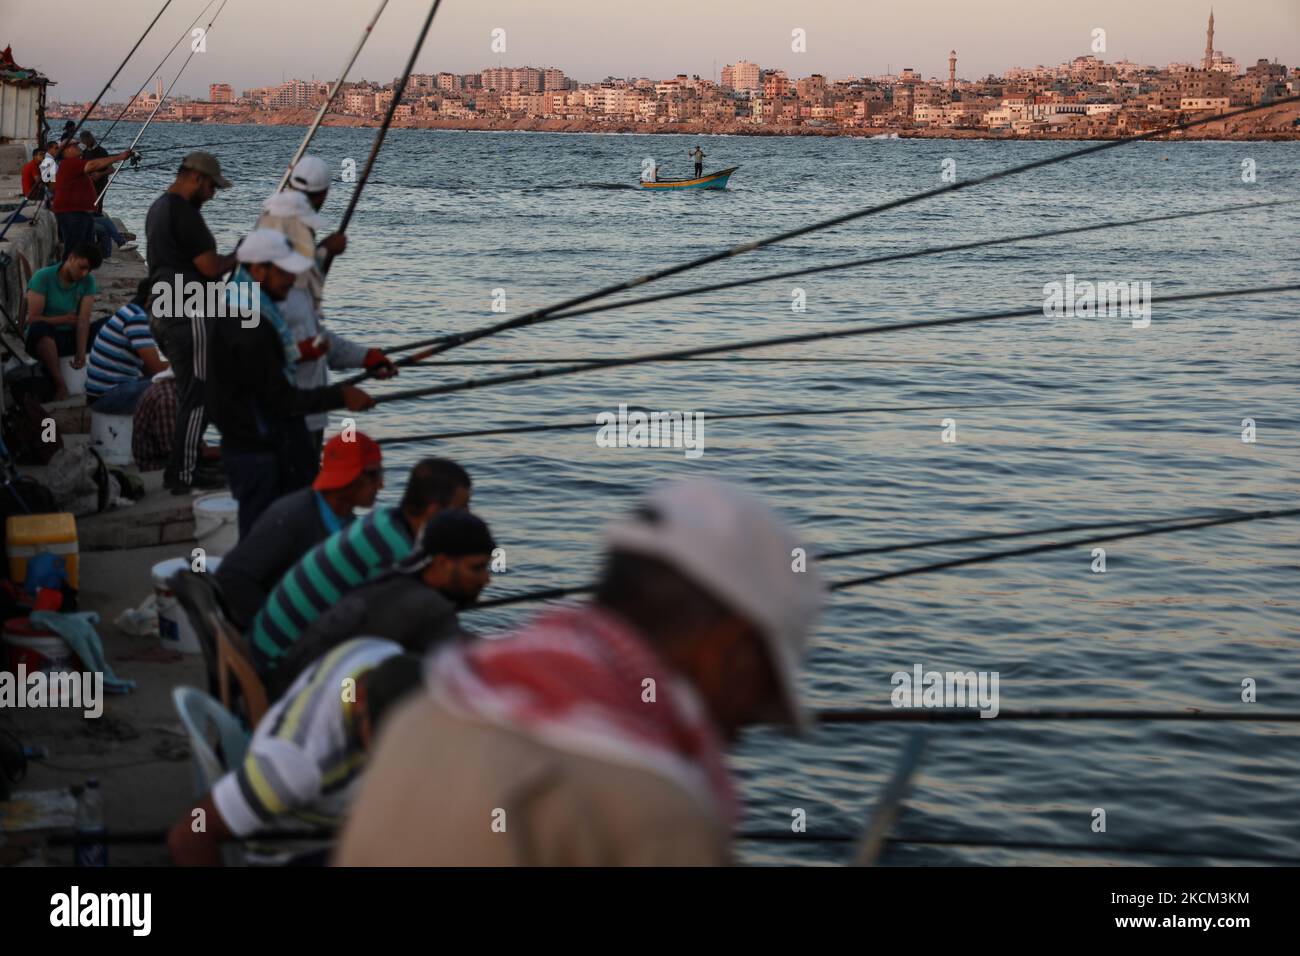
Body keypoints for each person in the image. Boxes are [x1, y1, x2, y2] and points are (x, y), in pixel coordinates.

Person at [335, 479, 824, 867]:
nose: (741, 731)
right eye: (762, 695)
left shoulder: (433, 709)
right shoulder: (656, 817)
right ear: (726, 650)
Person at [167, 641, 423, 866]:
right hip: (300, 851)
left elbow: (346, 692)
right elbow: (191, 831)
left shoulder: (375, 656)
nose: (391, 756)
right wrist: (199, 816)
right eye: (381, 743)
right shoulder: (296, 765)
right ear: (362, 699)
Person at [207, 229, 373, 532]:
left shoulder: (245, 308)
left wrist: (361, 358)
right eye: (284, 273)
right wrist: (341, 395)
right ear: (258, 270)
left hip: (249, 445)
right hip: (258, 453)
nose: (291, 281)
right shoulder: (251, 327)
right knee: (266, 535)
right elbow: (281, 400)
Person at [247, 457, 471, 679]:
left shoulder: (383, 521)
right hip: (281, 667)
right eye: (462, 508)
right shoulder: (397, 555)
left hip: (266, 647)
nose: (468, 516)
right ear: (433, 512)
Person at [269, 509, 494, 700]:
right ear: (443, 564)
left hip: (289, 688)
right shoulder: (428, 608)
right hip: (316, 709)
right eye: (476, 568)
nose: (486, 579)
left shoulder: (392, 578)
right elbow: (474, 668)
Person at [255, 156, 396, 450]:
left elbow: (320, 343)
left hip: (310, 420)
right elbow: (253, 358)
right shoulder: (262, 303)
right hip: (282, 421)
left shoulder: (299, 293)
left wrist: (365, 356)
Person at [214, 430, 384, 630]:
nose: (381, 484)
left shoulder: (349, 524)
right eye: (374, 475)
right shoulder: (292, 516)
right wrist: (280, 625)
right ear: (350, 478)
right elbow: (231, 576)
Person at [144, 150, 238, 494]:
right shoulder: (183, 212)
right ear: (196, 179)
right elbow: (210, 267)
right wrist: (242, 254)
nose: (213, 195)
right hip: (186, 313)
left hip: (162, 310)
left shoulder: (158, 207)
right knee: (200, 395)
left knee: (197, 393)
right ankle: (183, 474)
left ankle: (189, 463)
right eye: (212, 187)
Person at [24, 242, 106, 400]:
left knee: (111, 324)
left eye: (88, 270)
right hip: (46, 338)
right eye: (82, 267)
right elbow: (33, 319)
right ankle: (60, 385)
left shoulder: (88, 281)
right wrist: (63, 320)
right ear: (71, 258)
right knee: (39, 328)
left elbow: (83, 319)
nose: (84, 273)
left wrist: (81, 352)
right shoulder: (44, 277)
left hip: (71, 336)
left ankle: (108, 378)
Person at [85, 277, 169, 412]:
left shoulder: (130, 311)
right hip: (108, 397)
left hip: (100, 395)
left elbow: (148, 370)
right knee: (175, 387)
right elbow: (156, 369)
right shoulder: (138, 319)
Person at [52, 139, 135, 262]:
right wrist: (119, 157)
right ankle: (67, 274)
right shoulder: (70, 163)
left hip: (81, 213)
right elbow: (93, 165)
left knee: (86, 247)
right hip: (72, 214)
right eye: (74, 146)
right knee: (74, 247)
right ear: (66, 150)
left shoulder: (74, 164)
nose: (78, 147)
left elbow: (92, 167)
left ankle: (80, 274)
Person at [78, 130, 136, 255]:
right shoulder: (84, 153)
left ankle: (103, 242)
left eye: (87, 139)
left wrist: (100, 174)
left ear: (91, 138)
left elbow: (111, 168)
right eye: (83, 140)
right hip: (88, 189)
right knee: (97, 214)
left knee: (98, 210)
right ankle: (105, 242)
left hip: (100, 186)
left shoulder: (101, 151)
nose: (85, 142)